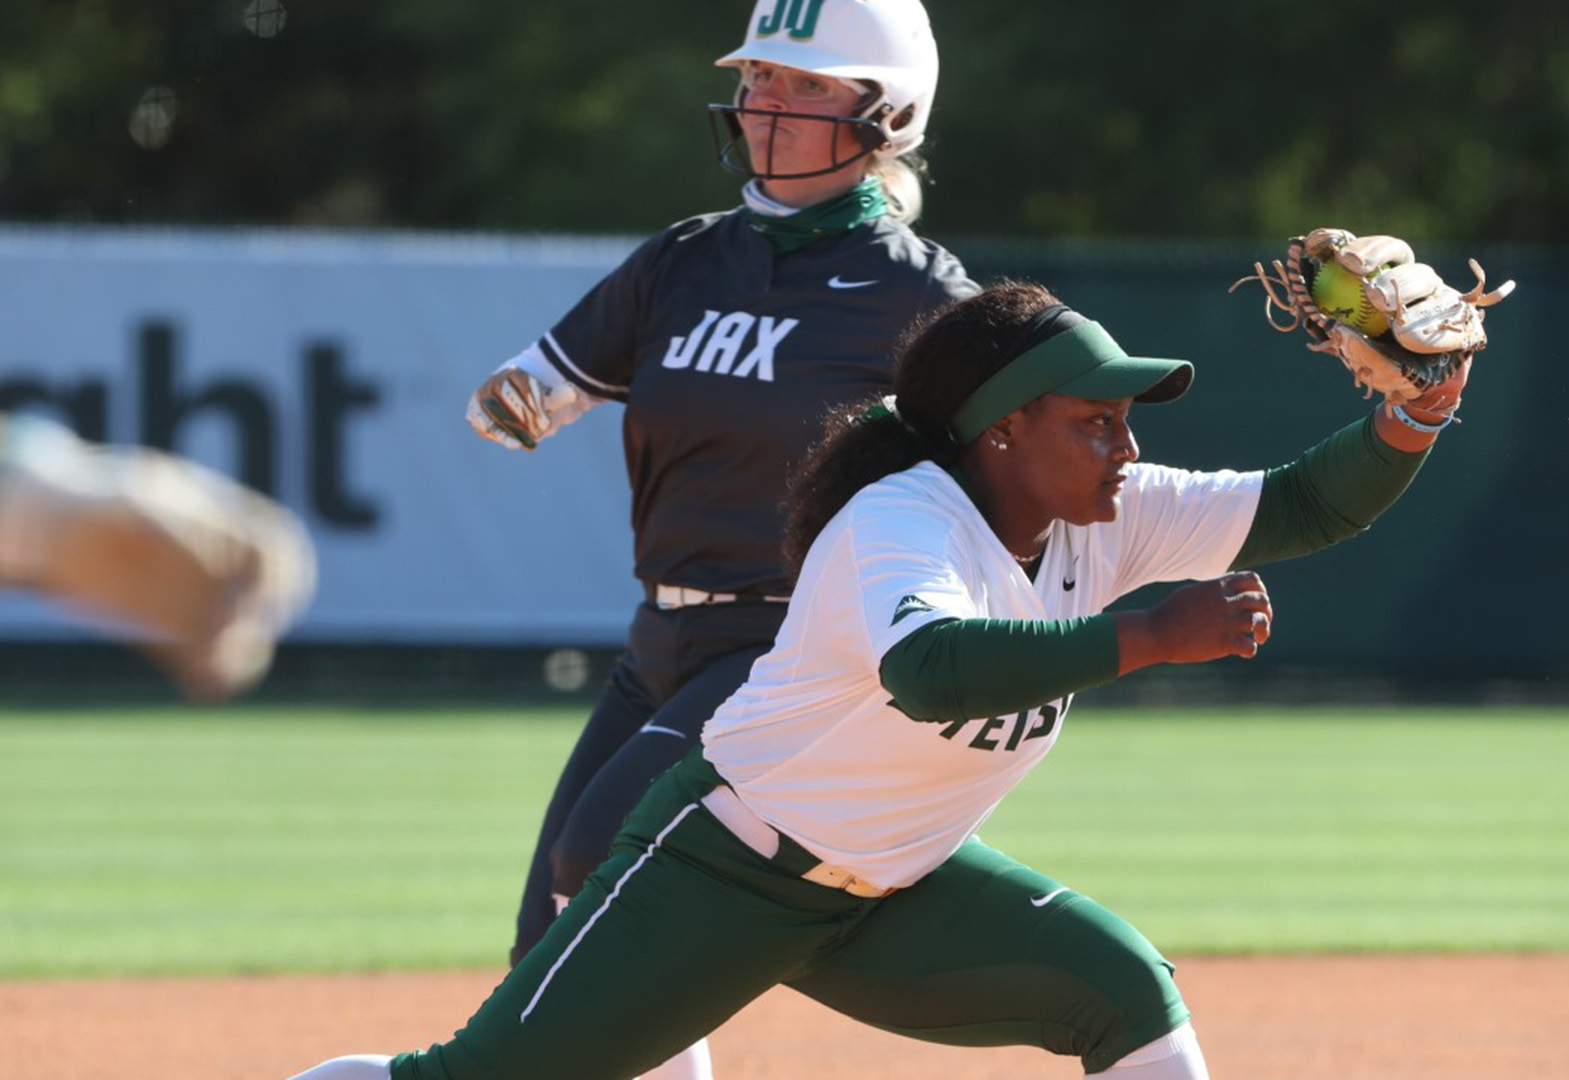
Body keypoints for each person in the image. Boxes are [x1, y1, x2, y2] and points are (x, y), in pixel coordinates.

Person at [283, 263, 1481, 1080]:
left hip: (895, 891)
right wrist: (1151, 639)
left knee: (1123, 989)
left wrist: (1419, 413)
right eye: (1096, 418)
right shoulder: (900, 523)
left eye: (1125, 420)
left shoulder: (1108, 511)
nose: (1127, 442)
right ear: (1003, 429)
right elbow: (938, 670)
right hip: (719, 870)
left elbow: (1310, 503)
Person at [461, 2, 971, 1075]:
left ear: (889, 114)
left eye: (805, 86)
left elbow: (1042, 444)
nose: (766, 107)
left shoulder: (920, 296)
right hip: (661, 642)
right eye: (758, 80)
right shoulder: (686, 259)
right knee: (548, 954)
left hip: (791, 648)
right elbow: (542, 390)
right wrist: (518, 399)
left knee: (595, 852)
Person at [0, 411, 315, 702]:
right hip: (38, 481)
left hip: (31, 533)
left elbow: (76, 591)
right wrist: (237, 628)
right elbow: (132, 497)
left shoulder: (191, 624)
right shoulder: (275, 573)